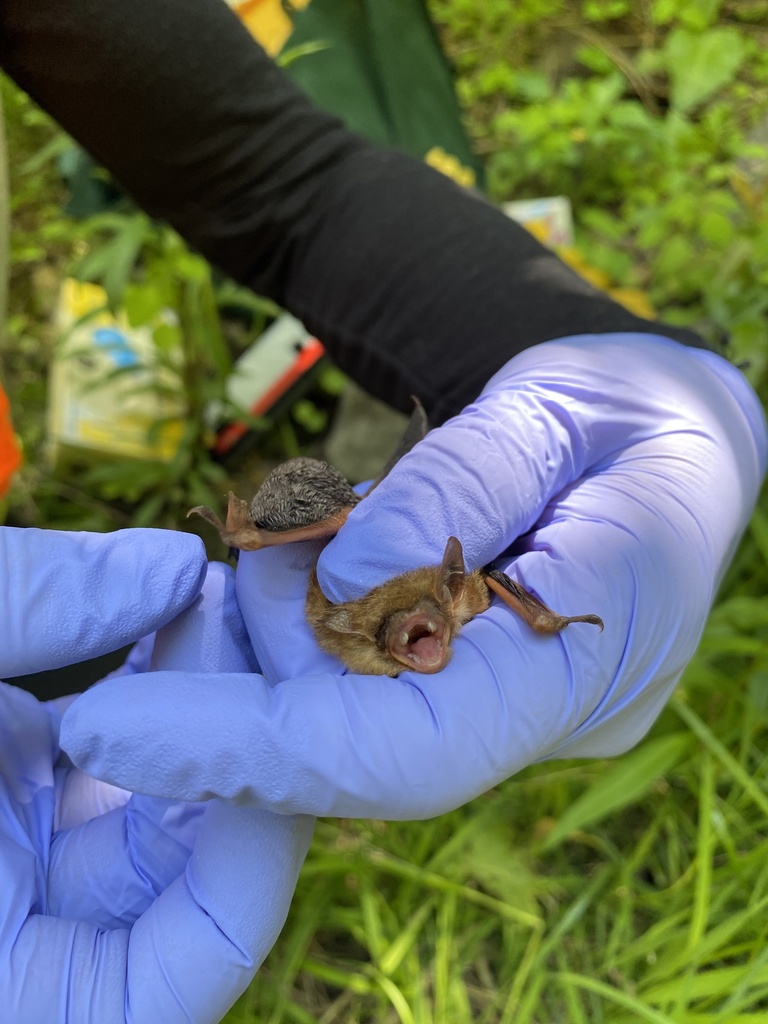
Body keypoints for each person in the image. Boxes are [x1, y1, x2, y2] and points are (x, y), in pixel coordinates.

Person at [0, 0, 765, 1019]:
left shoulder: (428, 602)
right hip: (86, 661)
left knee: (198, 666)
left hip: (90, 632)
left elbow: (280, 182)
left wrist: (637, 382)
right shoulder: (377, 619)